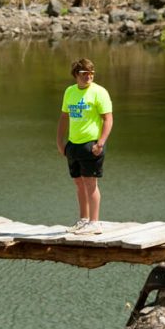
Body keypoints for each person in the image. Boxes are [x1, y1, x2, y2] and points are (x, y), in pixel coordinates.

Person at [57, 58, 113, 235]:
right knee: (79, 184)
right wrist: (60, 141)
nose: (89, 76)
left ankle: (94, 222)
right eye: (84, 73)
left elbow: (108, 119)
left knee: (90, 183)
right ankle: (83, 220)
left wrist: (100, 143)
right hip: (73, 145)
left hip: (92, 144)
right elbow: (64, 117)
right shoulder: (70, 92)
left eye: (91, 73)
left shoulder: (99, 92)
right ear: (76, 75)